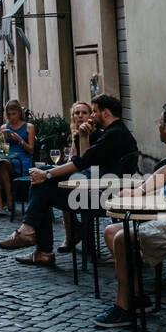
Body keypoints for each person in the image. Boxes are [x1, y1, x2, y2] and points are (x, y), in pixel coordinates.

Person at [94, 101, 166, 329]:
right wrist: (141, 188)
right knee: (111, 231)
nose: (158, 126)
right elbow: (162, 170)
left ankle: (124, 307)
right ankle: (137, 297)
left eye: (159, 122)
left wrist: (138, 191)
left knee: (121, 237)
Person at [0, 94, 138, 269]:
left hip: (101, 196)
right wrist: (47, 173)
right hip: (100, 189)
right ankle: (33, 236)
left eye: (93, 112)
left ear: (106, 113)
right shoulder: (116, 133)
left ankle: (37, 243)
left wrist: (47, 175)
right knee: (43, 179)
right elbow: (87, 163)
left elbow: (82, 163)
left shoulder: (113, 135)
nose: (92, 116)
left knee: (43, 185)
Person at [0, 100, 35, 216]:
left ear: (19, 113)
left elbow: (31, 150)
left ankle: (9, 201)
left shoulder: (29, 127)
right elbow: (4, 148)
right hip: (7, 158)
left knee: (1, 164)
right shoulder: (4, 128)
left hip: (22, 159)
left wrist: (20, 140)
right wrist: (1, 142)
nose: (12, 117)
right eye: (9, 114)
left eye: (14, 114)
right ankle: (1, 206)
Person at [57, 101, 93, 252]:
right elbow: (73, 156)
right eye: (77, 113)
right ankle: (72, 232)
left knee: (63, 188)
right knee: (61, 187)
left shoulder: (94, 132)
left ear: (90, 115)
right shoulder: (76, 133)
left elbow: (85, 160)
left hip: (93, 177)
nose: (80, 116)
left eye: (84, 112)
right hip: (79, 174)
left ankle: (72, 234)